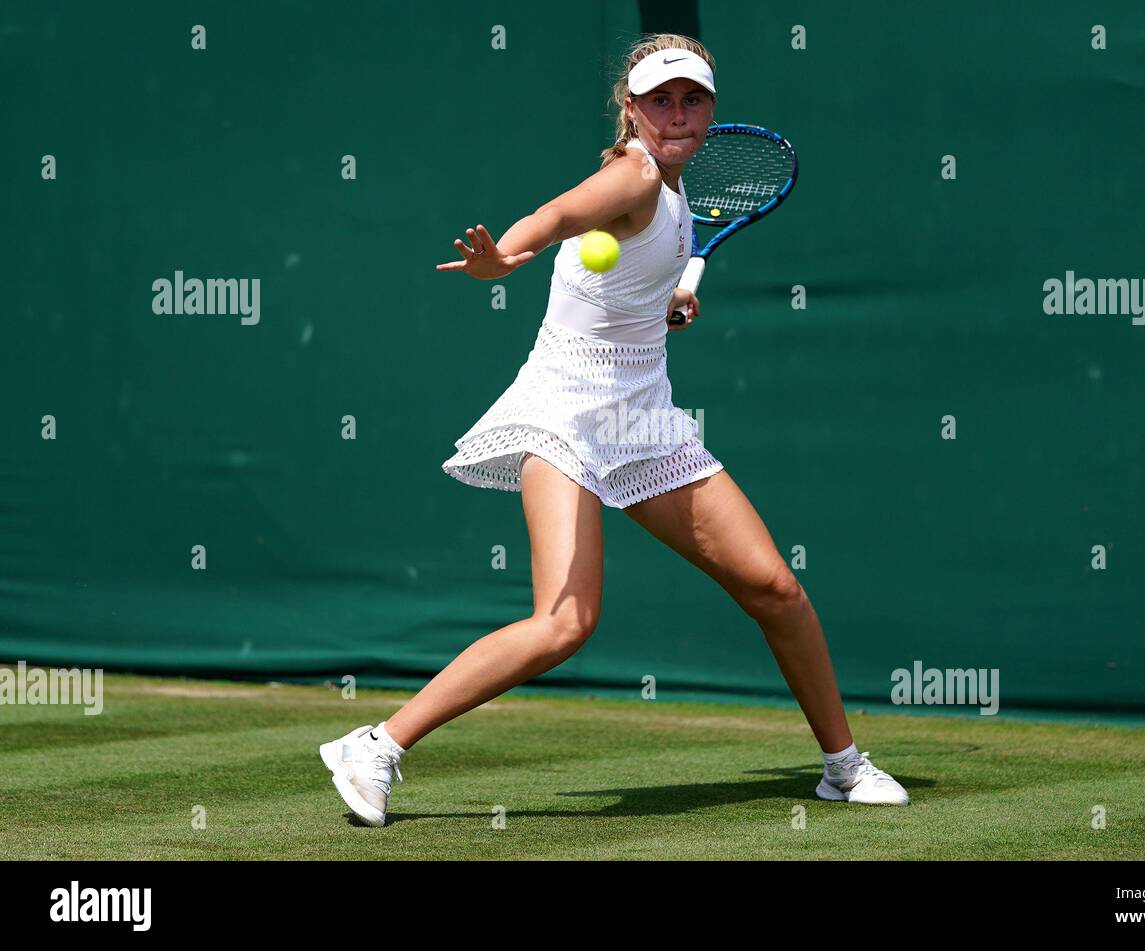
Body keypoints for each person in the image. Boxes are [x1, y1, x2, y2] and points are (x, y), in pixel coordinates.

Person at [318, 33, 909, 828]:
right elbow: (559, 214)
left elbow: (627, 281)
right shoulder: (632, 173)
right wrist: (509, 256)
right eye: (659, 99)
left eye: (691, 99)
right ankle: (376, 744)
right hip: (566, 410)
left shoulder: (671, 194)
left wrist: (668, 302)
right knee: (564, 622)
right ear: (630, 109)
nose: (676, 113)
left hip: (643, 416)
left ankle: (842, 767)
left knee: (774, 586)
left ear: (710, 111)